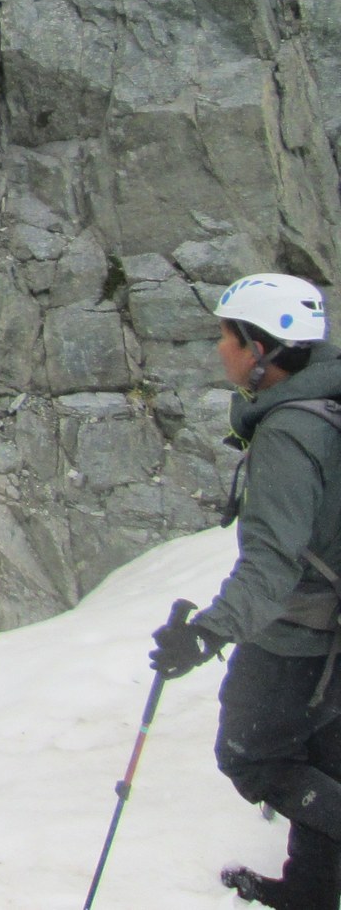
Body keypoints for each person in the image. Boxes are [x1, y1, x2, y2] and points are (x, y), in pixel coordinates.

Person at [149, 272, 341, 909]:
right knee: (322, 756)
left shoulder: (289, 434)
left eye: (226, 337)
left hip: (300, 633)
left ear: (261, 348)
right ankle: (312, 894)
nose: (219, 350)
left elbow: (271, 565)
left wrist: (205, 634)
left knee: (250, 755)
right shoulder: (332, 404)